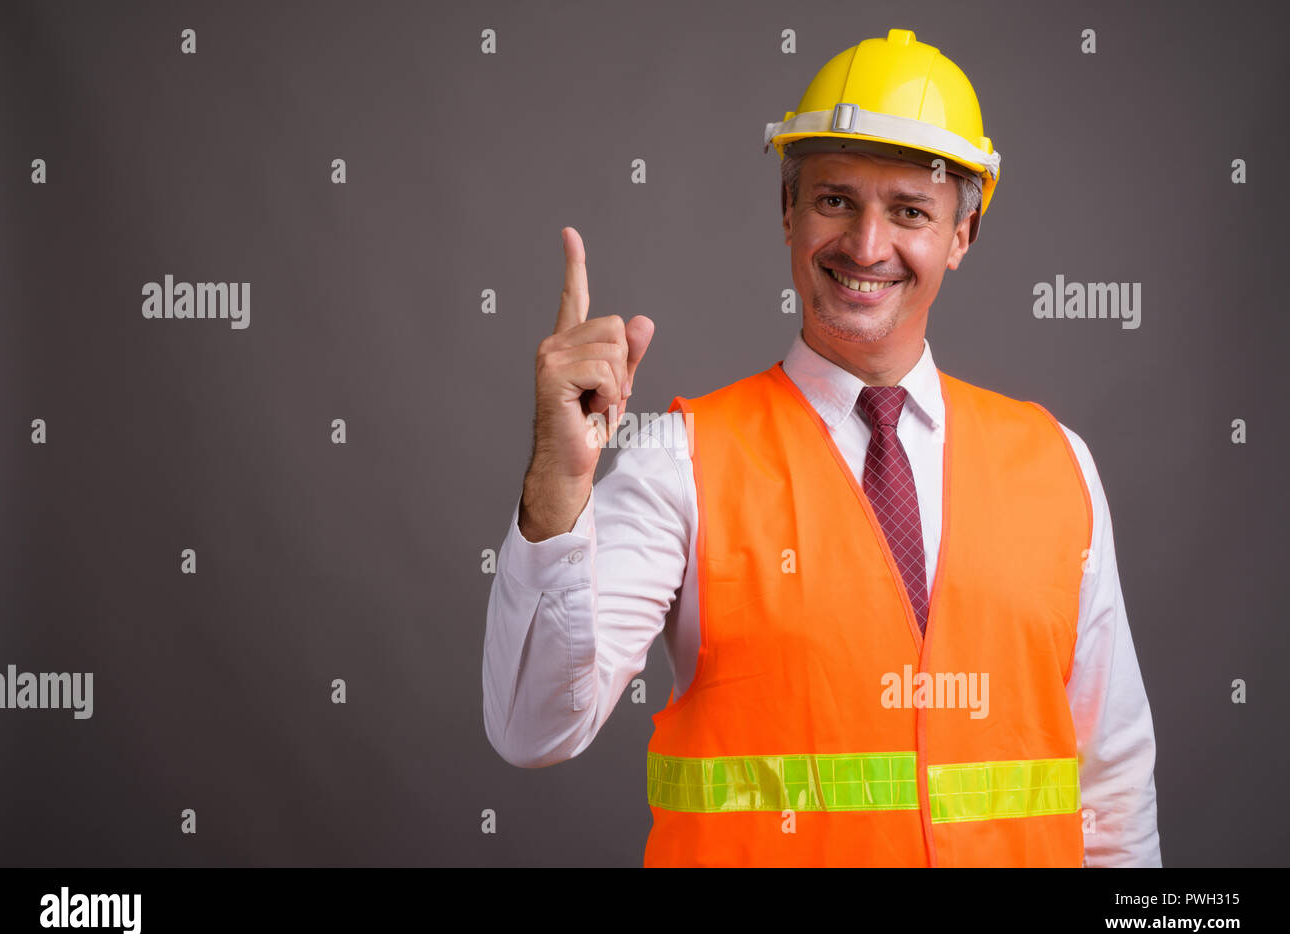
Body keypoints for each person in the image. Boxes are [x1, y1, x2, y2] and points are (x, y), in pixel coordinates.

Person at [482, 28, 1160, 867]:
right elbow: (531, 727)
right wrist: (559, 479)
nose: (867, 246)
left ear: (962, 234)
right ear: (788, 213)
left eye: (910, 210)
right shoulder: (684, 462)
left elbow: (1115, 790)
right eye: (836, 200)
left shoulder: (1059, 466)